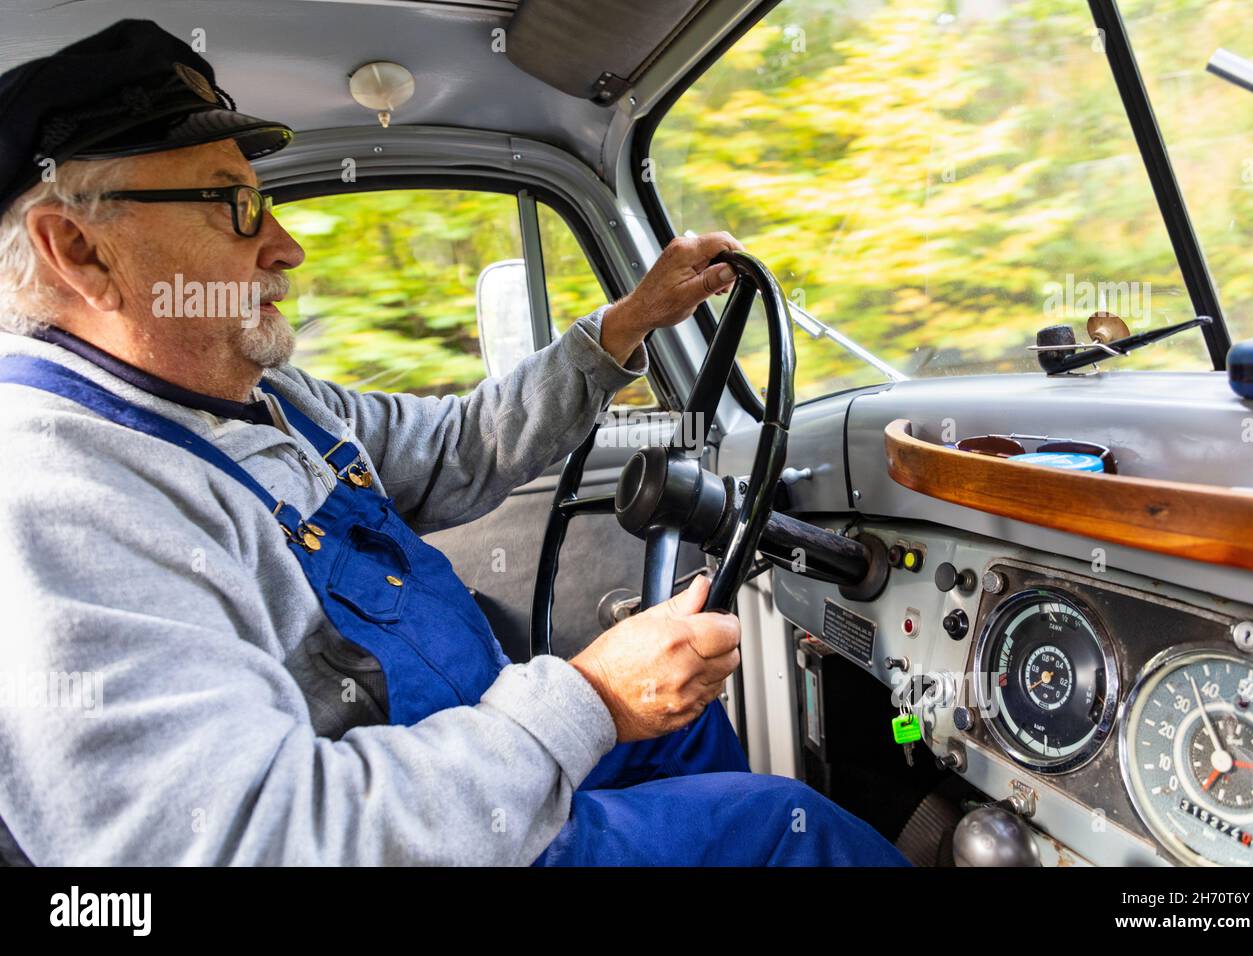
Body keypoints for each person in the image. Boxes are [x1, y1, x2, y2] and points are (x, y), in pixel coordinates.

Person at [0, 18, 908, 866]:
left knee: (690, 725)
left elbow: (453, 447)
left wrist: (625, 326)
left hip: (479, 759)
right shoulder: (59, 501)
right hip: (438, 830)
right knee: (790, 832)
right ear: (78, 250)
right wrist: (590, 700)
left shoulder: (262, 399)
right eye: (234, 206)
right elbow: (261, 840)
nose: (284, 248)